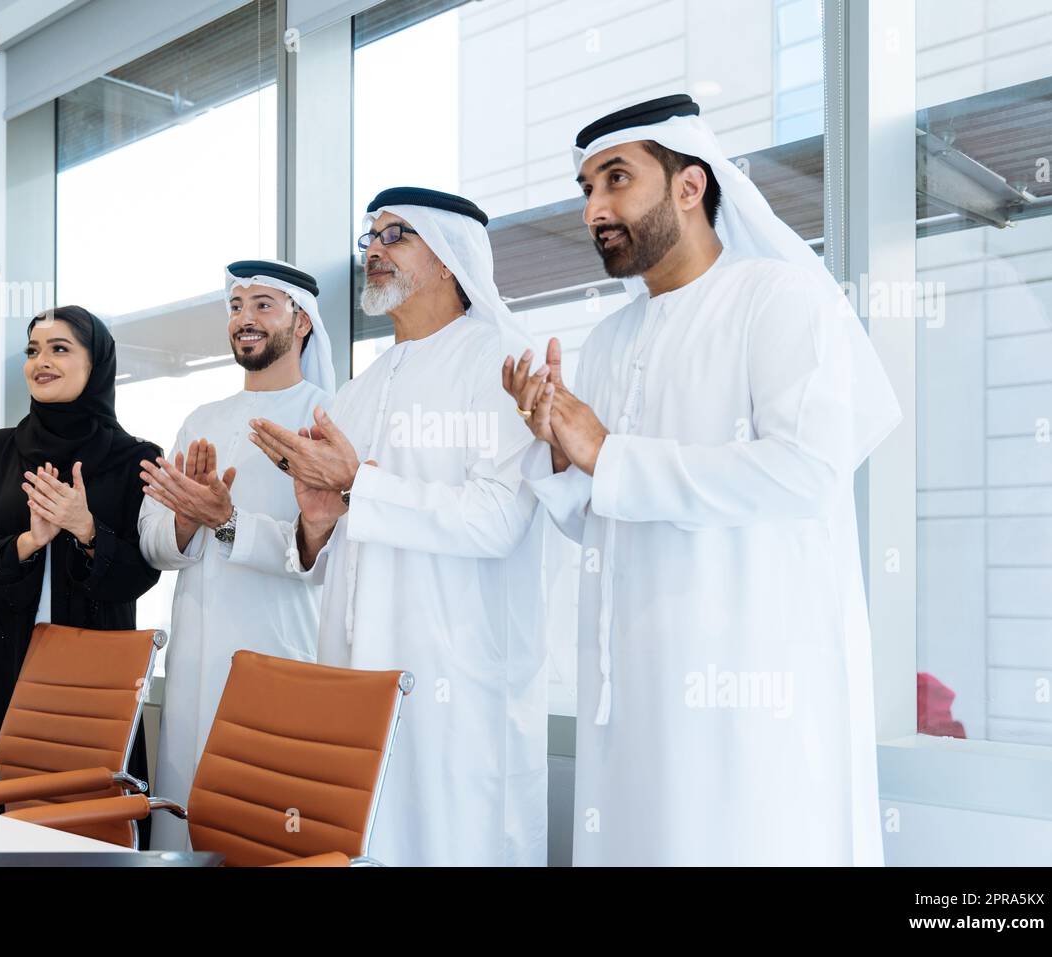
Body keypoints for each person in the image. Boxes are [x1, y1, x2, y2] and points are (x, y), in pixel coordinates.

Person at [504, 94, 902, 865]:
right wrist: (560, 449)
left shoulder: (777, 299)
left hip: (747, 700)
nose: (594, 210)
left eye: (616, 179)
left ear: (690, 186)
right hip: (634, 702)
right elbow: (604, 517)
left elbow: (805, 472)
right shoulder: (614, 337)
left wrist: (606, 451)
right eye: (586, 190)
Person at [248, 187, 548, 866]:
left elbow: (497, 520)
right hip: (357, 672)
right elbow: (345, 541)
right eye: (371, 238)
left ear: (448, 258)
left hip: (455, 681)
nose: (374, 251)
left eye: (397, 235)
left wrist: (359, 483)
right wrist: (321, 521)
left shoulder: (501, 358)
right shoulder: (359, 388)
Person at [137, 259, 335, 852]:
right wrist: (186, 518)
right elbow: (153, 543)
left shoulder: (325, 416)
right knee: (187, 819)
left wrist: (227, 521)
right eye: (235, 306)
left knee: (269, 831)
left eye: (263, 306)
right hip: (196, 668)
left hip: (281, 655)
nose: (244, 319)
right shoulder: (200, 420)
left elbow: (323, 554)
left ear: (301, 323)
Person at [0, 305, 162, 847]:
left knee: (90, 818)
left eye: (59, 348)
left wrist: (86, 529)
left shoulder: (137, 460)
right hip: (6, 661)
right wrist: (28, 542)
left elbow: (142, 572)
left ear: (98, 363)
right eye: (32, 350)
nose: (40, 361)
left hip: (97, 671)